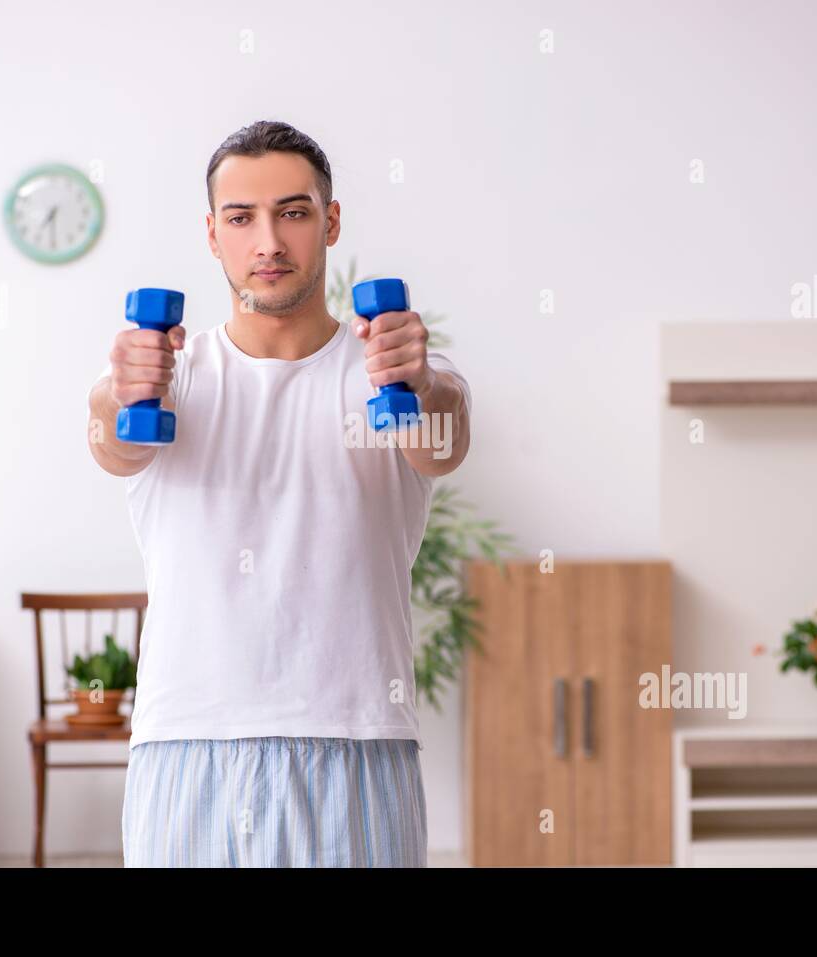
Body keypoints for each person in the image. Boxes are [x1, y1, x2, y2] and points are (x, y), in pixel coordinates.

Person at [86, 120, 472, 866]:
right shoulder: (165, 377)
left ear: (329, 222)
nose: (268, 241)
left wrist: (422, 383)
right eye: (242, 218)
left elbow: (443, 442)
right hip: (188, 742)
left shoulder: (392, 376)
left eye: (293, 212)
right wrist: (119, 390)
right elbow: (113, 440)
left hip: (357, 744)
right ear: (212, 234)